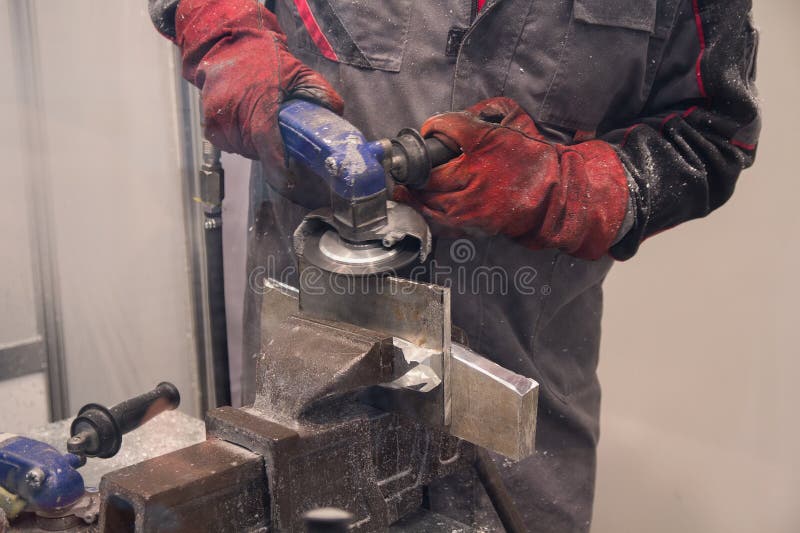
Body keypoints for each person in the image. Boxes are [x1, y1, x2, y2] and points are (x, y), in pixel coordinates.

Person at [148, 0, 760, 530]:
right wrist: (228, 35)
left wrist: (566, 186)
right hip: (305, 395)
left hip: (520, 414)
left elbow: (712, 134)